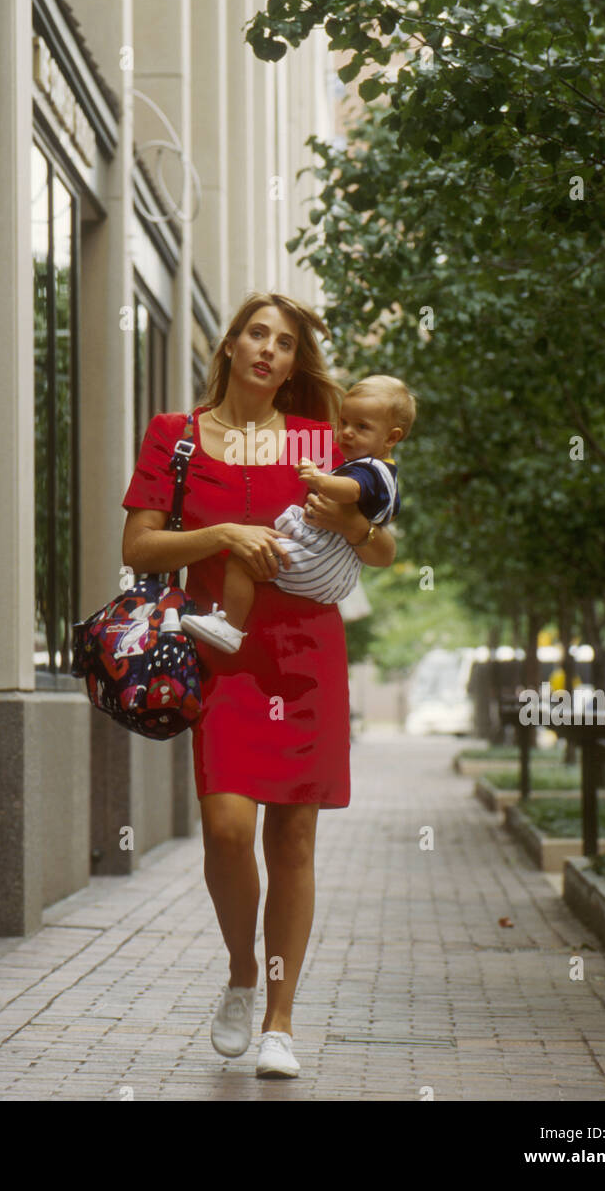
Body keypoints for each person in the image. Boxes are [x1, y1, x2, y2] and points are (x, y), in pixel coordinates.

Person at [120, 293, 397, 1078]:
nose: (269, 350)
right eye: (256, 334)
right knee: (229, 829)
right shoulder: (174, 436)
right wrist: (222, 535)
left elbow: (383, 550)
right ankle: (242, 971)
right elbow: (138, 547)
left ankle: (280, 1019)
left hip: (306, 654)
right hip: (223, 646)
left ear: (293, 360)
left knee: (296, 838)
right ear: (232, 345)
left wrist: (355, 525)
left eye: (284, 341)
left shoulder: (320, 438)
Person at [180, 375, 413, 653]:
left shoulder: (361, 464)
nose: (347, 432)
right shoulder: (373, 468)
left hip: (318, 573)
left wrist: (321, 483)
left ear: (392, 437)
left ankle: (230, 626)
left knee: (242, 559)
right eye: (344, 423)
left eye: (361, 426)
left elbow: (361, 509)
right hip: (331, 575)